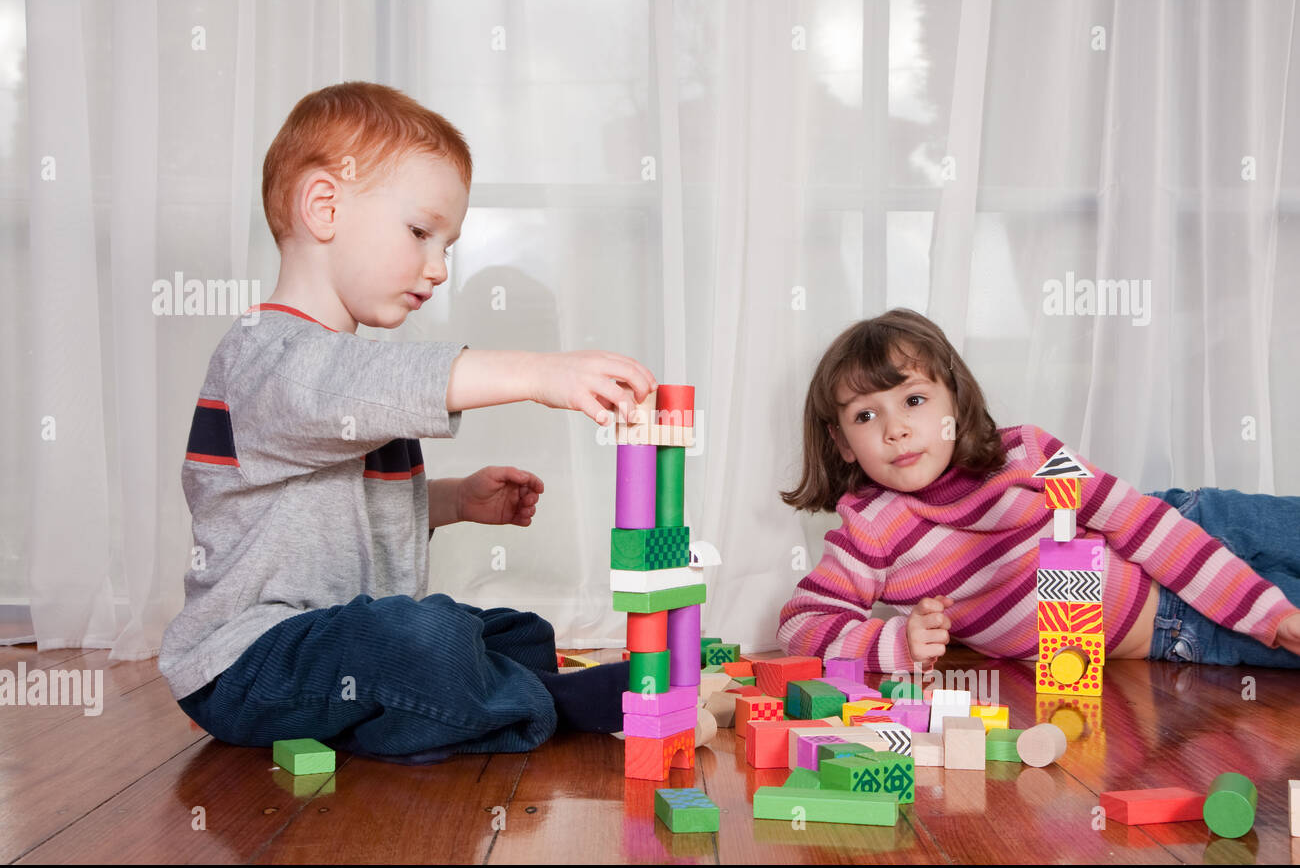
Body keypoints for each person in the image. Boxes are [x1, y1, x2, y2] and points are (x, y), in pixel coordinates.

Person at [160, 82, 654, 764]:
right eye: (421, 233)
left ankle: (475, 695)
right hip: (248, 665)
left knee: (517, 632)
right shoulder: (267, 356)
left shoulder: (347, 374)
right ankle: (553, 705)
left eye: (448, 244)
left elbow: (337, 517)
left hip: (341, 647)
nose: (440, 268)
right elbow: (394, 385)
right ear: (324, 207)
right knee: (420, 641)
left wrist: (453, 501)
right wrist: (542, 374)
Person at [777, 308, 1300, 673]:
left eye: (914, 400)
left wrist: (1268, 613)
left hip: (1196, 523)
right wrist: (895, 643)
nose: (895, 429)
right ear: (841, 442)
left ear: (955, 403)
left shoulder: (1028, 454)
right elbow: (802, 625)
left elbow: (1138, 521)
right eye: (866, 415)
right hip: (1179, 628)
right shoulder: (872, 528)